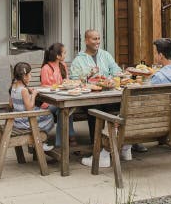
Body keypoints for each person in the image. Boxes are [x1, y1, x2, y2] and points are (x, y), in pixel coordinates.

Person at [70, 30, 130, 167]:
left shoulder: (106, 55)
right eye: (94, 39)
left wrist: (119, 75)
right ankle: (98, 150)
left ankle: (125, 146)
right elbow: (74, 80)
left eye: (98, 39)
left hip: (109, 95)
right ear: (86, 41)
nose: (97, 41)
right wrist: (88, 75)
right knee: (94, 111)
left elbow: (115, 70)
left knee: (123, 106)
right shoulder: (78, 60)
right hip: (89, 97)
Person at [9, 62, 55, 152]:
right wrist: (33, 95)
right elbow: (29, 109)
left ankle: (36, 140)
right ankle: (39, 140)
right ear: (24, 76)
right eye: (30, 74)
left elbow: (10, 104)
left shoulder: (13, 86)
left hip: (17, 121)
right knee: (49, 116)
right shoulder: (23, 90)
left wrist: (27, 92)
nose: (31, 76)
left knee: (43, 112)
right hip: (25, 122)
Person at [40, 43, 73, 147]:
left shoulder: (63, 65)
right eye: (64, 53)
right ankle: (61, 143)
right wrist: (60, 86)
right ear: (58, 56)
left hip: (63, 98)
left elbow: (66, 80)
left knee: (67, 107)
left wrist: (68, 83)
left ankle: (68, 137)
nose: (65, 55)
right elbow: (45, 87)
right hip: (49, 102)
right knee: (63, 110)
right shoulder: (46, 68)